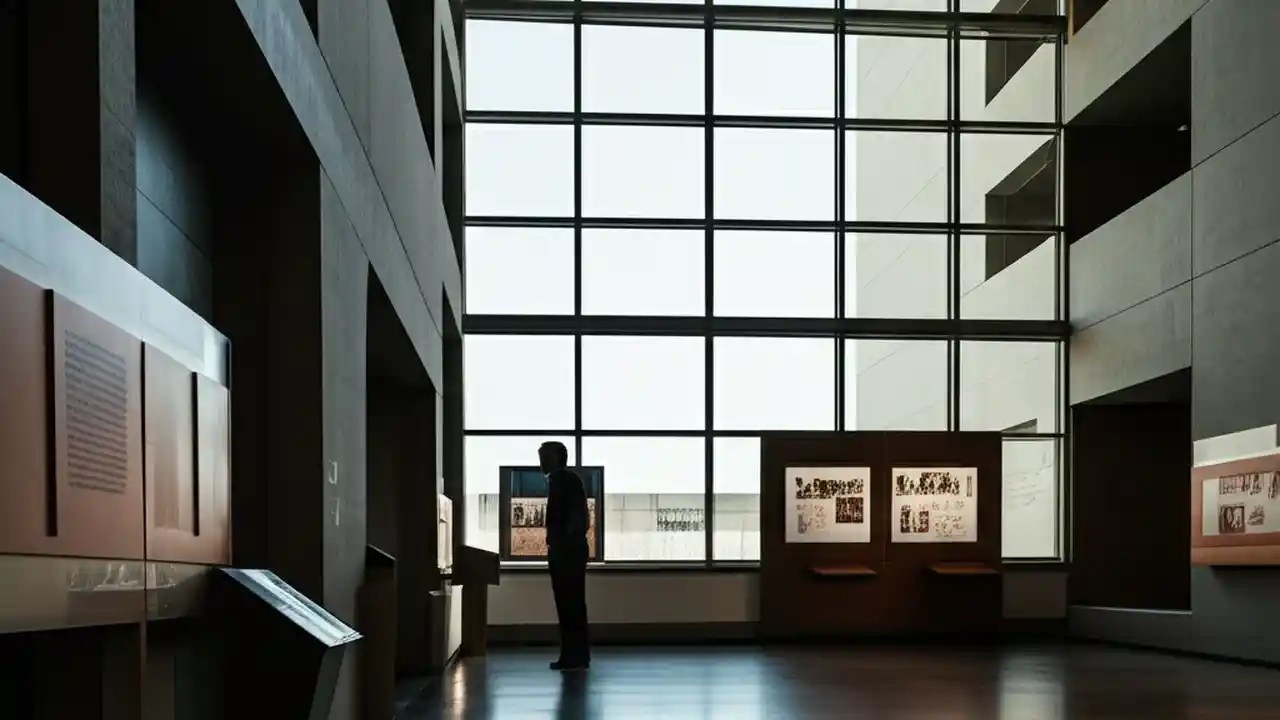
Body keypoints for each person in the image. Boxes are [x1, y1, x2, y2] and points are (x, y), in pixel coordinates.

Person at [540, 441, 590, 671]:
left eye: (544, 456)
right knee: (573, 604)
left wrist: (561, 545)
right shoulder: (567, 481)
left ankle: (573, 655)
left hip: (566, 553)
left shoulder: (562, 482)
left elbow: (573, 519)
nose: (540, 461)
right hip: (570, 550)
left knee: (568, 604)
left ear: (556, 458)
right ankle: (576, 655)